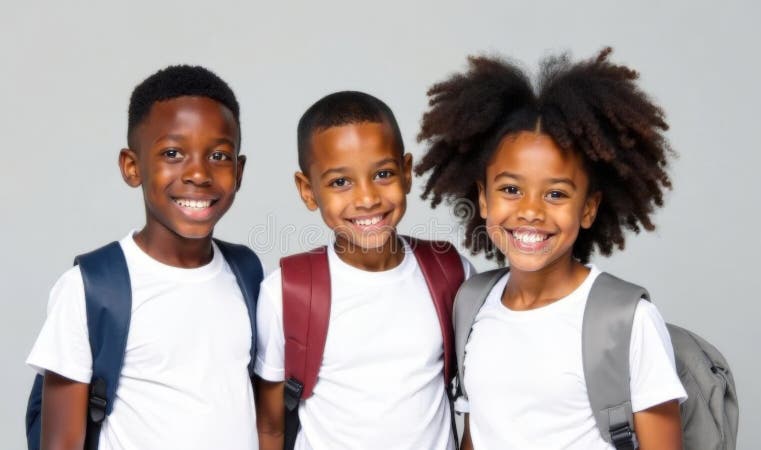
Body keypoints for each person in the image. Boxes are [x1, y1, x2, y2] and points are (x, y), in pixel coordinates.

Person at [415, 49, 688, 450]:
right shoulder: (472, 305)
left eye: (556, 193)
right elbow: (478, 434)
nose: (530, 211)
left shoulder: (626, 320)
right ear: (484, 199)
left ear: (589, 208)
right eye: (510, 189)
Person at [26, 65, 259, 450]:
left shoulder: (247, 274)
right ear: (132, 167)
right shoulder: (91, 288)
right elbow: (60, 443)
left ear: (239, 171)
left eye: (218, 155)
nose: (199, 173)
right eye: (172, 153)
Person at [255, 91, 474, 450]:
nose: (367, 198)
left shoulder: (450, 272)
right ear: (308, 191)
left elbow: (479, 401)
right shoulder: (287, 291)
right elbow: (270, 425)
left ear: (406, 173)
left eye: (383, 174)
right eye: (340, 182)